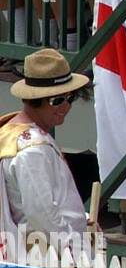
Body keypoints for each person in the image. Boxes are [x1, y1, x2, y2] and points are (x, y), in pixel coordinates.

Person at [0, 49, 88, 256]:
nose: (65, 106)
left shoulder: (9, 129)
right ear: (34, 99)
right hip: (43, 256)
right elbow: (42, 213)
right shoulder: (33, 149)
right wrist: (75, 252)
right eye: (56, 100)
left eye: (70, 97)